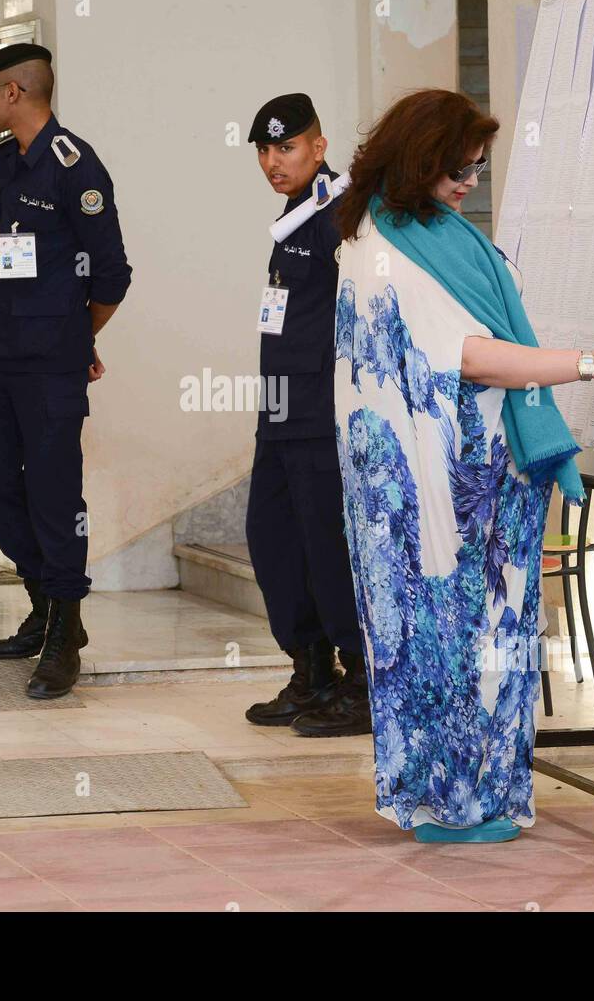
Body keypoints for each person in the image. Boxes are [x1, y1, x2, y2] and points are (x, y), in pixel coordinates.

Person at [332, 89, 594, 841]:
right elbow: (470, 355)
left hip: (466, 478)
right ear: (420, 163)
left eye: (477, 168)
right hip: (438, 491)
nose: (470, 183)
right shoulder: (388, 250)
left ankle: (476, 795)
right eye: (457, 170)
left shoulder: (415, 228)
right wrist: (589, 363)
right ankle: (456, 802)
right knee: (455, 636)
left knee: (482, 637)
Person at [0, 43, 131, 699]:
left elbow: (112, 274)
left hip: (50, 364)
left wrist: (73, 336)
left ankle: (65, 629)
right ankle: (42, 600)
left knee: (56, 496)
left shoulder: (75, 166)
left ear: (13, 93)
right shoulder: (6, 162)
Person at [242, 94, 369, 738]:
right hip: (280, 412)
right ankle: (311, 667)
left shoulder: (339, 215)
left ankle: (362, 678)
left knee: (328, 548)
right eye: (264, 150)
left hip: (321, 414)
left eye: (285, 147)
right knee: (272, 540)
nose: (272, 161)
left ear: (318, 147)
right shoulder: (296, 215)